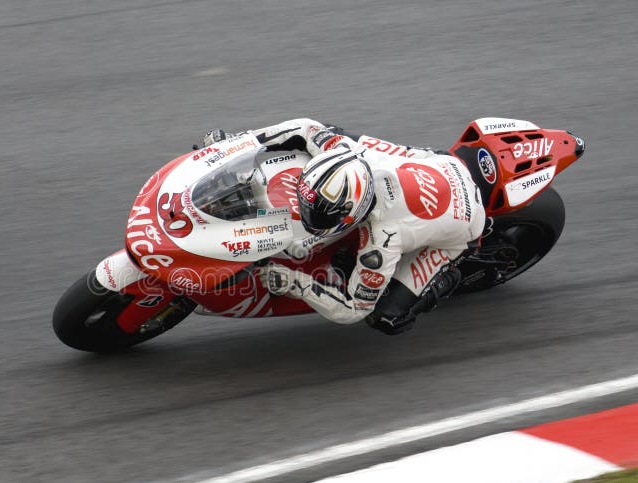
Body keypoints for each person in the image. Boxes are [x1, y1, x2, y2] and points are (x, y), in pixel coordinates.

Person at [204, 118, 486, 334]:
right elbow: (306, 127)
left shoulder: (383, 241)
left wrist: (293, 282)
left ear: (354, 214)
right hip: (439, 163)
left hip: (466, 225)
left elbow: (353, 308)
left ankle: (449, 278)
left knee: (386, 316)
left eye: (320, 214)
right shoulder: (344, 151)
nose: (307, 214)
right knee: (327, 128)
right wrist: (236, 143)